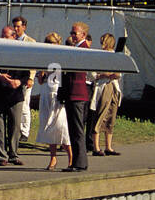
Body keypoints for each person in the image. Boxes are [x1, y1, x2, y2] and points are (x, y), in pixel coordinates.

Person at [0, 28, 26, 167]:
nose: (2, 38)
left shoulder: (21, 52)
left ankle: (14, 154)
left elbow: (26, 72)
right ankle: (2, 156)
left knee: (15, 126)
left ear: (13, 37)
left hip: (15, 95)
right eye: (2, 35)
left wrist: (19, 81)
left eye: (6, 36)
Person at [36, 33, 72, 170]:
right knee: (48, 126)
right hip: (46, 93)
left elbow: (61, 77)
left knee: (61, 127)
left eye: (52, 43)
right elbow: (40, 81)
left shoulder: (61, 59)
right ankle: (53, 158)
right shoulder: (44, 58)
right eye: (48, 43)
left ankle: (71, 157)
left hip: (57, 94)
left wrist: (50, 71)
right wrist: (42, 73)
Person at [61, 21, 93, 172]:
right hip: (72, 93)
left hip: (77, 93)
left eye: (75, 33)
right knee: (73, 130)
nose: (72, 35)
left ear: (83, 35)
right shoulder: (76, 48)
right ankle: (77, 162)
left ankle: (79, 162)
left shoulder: (83, 49)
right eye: (71, 33)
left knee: (77, 129)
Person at [92, 33, 123, 156]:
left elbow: (119, 73)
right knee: (101, 114)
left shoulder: (116, 56)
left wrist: (116, 74)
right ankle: (96, 147)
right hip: (104, 85)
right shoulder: (99, 56)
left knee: (111, 115)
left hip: (113, 85)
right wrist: (103, 75)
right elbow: (93, 74)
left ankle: (108, 146)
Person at [12, 16, 36, 143]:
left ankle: (25, 132)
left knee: (25, 105)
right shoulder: (12, 40)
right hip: (14, 77)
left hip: (25, 77)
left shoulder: (30, 42)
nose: (16, 29)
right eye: (14, 26)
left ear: (24, 27)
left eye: (18, 26)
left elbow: (33, 62)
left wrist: (31, 78)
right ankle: (16, 129)